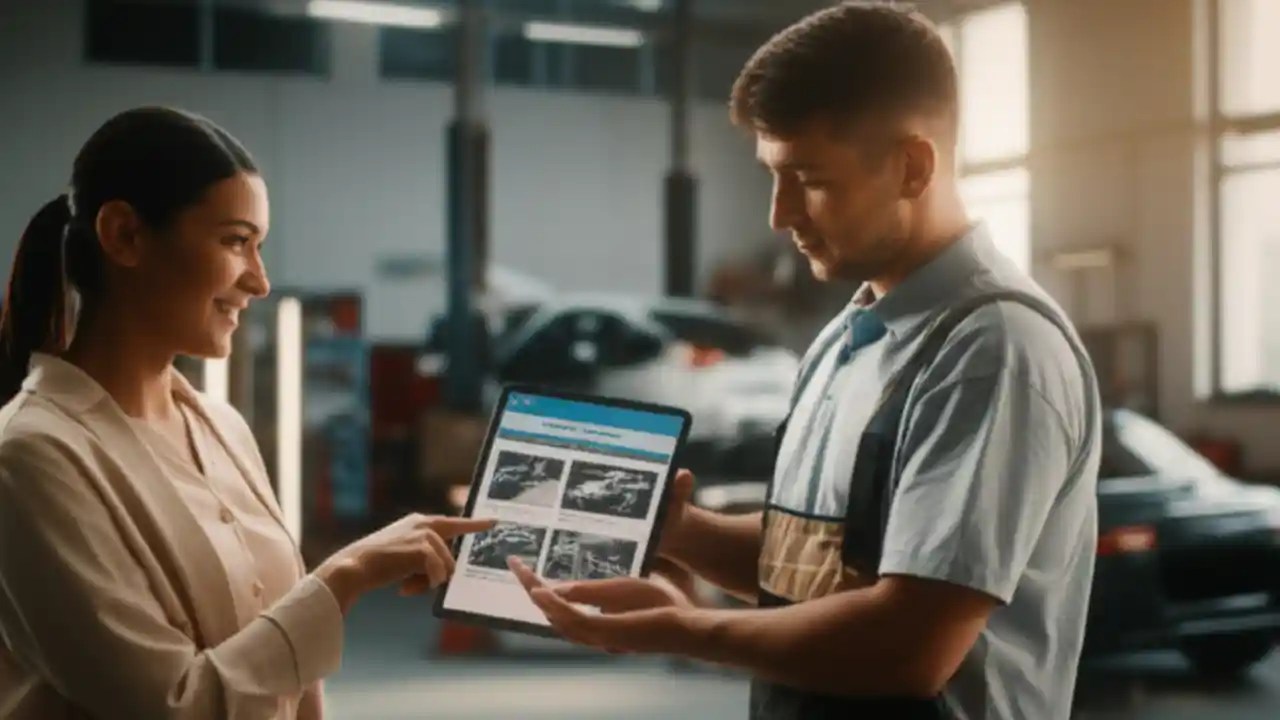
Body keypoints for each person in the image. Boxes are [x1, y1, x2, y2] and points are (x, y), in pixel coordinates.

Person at [509, 4, 1102, 719]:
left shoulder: (994, 351)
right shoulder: (846, 338)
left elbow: (909, 646)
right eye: (772, 174)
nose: (779, 213)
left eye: (809, 177)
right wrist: (678, 532)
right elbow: (821, 561)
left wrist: (685, 628)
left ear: (913, 167)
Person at [0, 106, 494, 719]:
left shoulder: (221, 426)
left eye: (259, 247)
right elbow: (171, 707)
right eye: (236, 241)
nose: (259, 281)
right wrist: (345, 577)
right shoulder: (31, 456)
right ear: (125, 235)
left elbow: (297, 679)